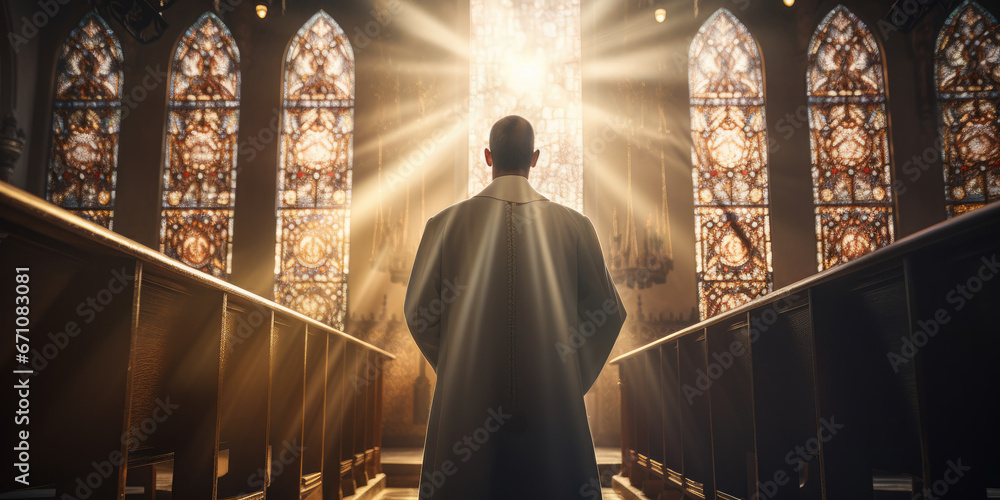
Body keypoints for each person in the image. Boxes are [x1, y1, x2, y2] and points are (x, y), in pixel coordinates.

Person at [404, 115, 626, 499]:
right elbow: (608, 314)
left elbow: (419, 313)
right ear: (534, 158)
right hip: (552, 402)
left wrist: (460, 369)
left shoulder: (444, 224)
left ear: (487, 156)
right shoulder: (575, 225)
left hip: (466, 405)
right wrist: (565, 377)